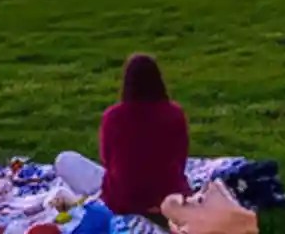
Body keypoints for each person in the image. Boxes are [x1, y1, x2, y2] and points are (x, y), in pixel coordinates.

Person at [55, 54, 189, 224]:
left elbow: (108, 160)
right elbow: (181, 159)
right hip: (168, 198)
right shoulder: (174, 114)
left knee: (65, 160)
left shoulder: (114, 117)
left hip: (122, 201)